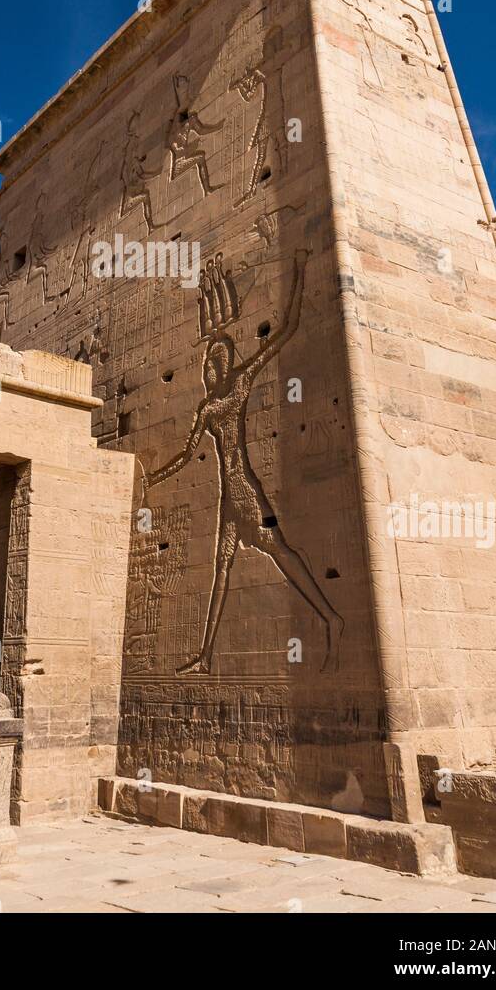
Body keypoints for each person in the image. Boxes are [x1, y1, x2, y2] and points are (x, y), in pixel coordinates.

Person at [144, 249, 343, 675]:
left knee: (281, 555)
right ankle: (206, 655)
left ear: (222, 363)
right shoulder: (212, 403)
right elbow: (185, 455)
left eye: (214, 361)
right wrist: (152, 477)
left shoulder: (230, 392)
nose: (211, 368)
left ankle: (331, 618)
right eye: (210, 364)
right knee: (222, 570)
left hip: (245, 491)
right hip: (230, 498)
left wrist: (302, 267)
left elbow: (285, 330)